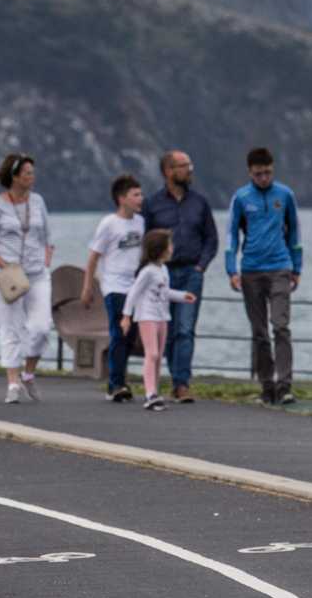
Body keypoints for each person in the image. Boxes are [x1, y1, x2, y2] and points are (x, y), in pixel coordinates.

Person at [226, 146, 302, 405]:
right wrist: (231, 269)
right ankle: (266, 386)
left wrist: (297, 267)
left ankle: (285, 385)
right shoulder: (240, 198)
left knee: (281, 326)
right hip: (251, 271)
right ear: (250, 172)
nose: (264, 178)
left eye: (268, 173)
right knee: (259, 332)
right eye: (259, 174)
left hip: (280, 267)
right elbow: (231, 236)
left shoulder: (285, 195)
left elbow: (294, 232)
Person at [0, 152, 55, 405]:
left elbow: (47, 235)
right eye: (27, 173)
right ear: (14, 176)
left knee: (41, 327)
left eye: (33, 172)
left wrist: (46, 259)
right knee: (10, 328)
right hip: (8, 275)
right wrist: (2, 265)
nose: (32, 177)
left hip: (36, 274)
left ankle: (28, 372)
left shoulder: (38, 202)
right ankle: (13, 383)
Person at [140, 149, 217, 401]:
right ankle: (170, 378)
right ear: (169, 171)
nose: (190, 170)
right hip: (162, 274)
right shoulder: (152, 205)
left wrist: (201, 266)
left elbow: (211, 239)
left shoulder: (200, 203)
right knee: (168, 330)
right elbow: (144, 240)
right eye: (184, 166)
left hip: (192, 272)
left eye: (189, 165)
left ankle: (181, 383)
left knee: (185, 328)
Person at [79, 173, 146, 402]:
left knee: (131, 336)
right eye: (135, 195)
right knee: (119, 332)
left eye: (141, 194)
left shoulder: (141, 222)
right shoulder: (109, 224)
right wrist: (88, 287)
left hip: (135, 287)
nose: (141, 198)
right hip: (114, 286)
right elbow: (93, 257)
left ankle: (116, 381)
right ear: (122, 198)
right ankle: (117, 384)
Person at [121, 228, 195, 411]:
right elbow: (133, 293)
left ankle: (155, 392)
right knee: (151, 354)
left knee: (158, 356)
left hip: (162, 316)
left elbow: (165, 292)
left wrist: (182, 296)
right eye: (169, 245)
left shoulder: (164, 270)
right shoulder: (147, 271)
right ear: (160, 249)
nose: (172, 249)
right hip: (147, 316)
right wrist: (126, 316)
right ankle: (149, 394)